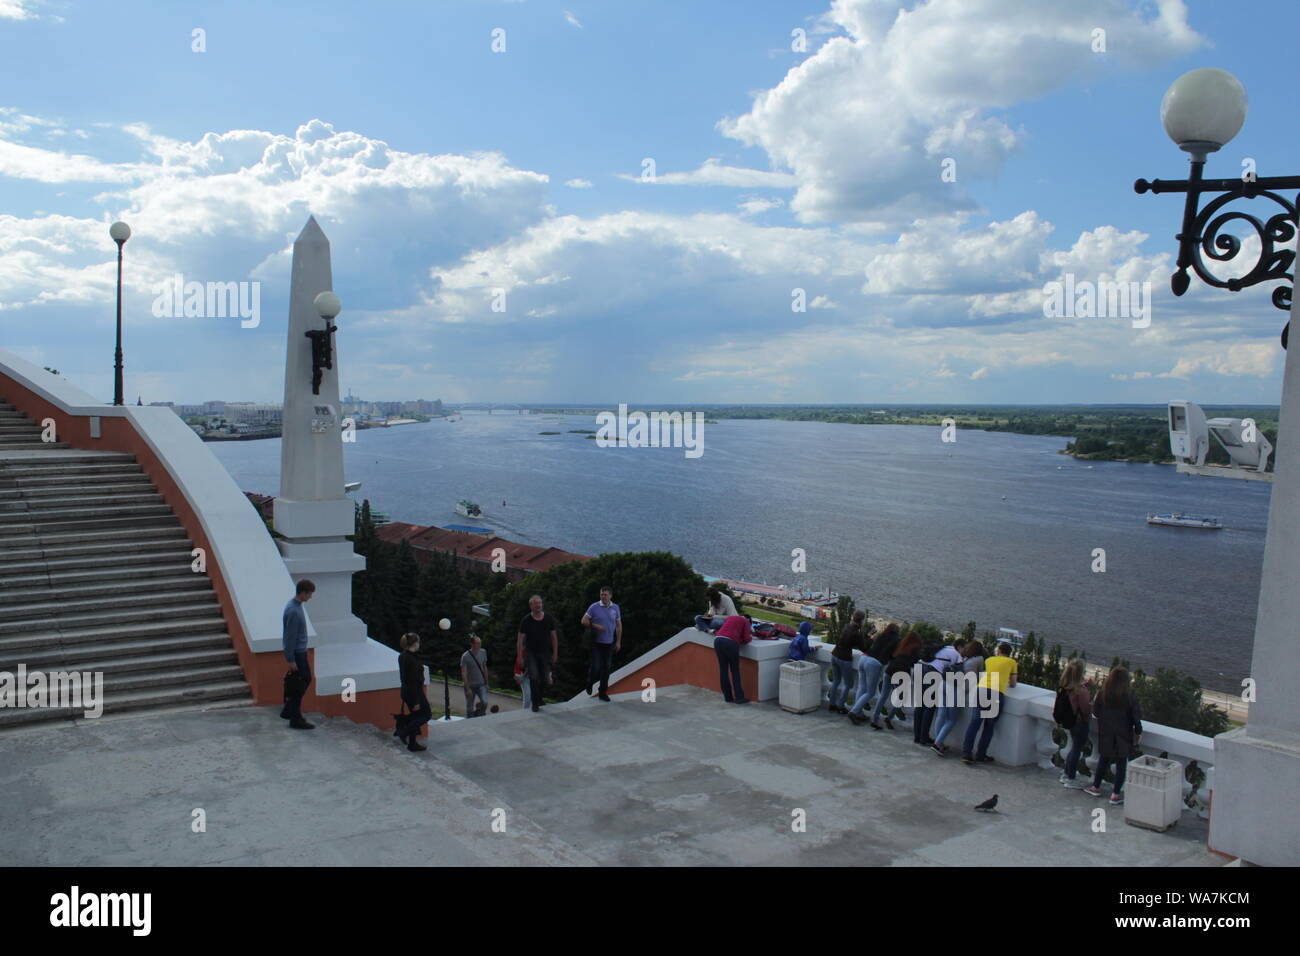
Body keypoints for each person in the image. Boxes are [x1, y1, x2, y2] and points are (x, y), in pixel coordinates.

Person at [1084, 667, 1142, 805]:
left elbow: (1096, 713)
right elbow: (1136, 719)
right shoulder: (1129, 698)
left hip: (1106, 733)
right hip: (1123, 735)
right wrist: (1138, 732)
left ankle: (1095, 787)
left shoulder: (1103, 695)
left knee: (1103, 760)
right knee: (1122, 765)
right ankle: (1115, 794)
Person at [962, 641, 1017, 765]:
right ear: (1008, 653)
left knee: (974, 723)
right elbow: (1013, 683)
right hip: (996, 693)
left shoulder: (989, 660)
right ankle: (980, 755)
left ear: (998, 651)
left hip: (981, 689)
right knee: (989, 725)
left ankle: (966, 753)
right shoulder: (1012, 662)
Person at [281, 578, 316, 730]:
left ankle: (292, 713)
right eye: (309, 594)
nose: (310, 597)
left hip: (300, 651)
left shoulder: (296, 605)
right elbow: (290, 637)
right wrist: (290, 659)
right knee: (303, 681)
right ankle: (293, 714)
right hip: (297, 654)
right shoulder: (294, 610)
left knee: (301, 682)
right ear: (303, 593)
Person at [848, 621, 896, 726]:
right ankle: (854, 711)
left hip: (864, 658)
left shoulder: (880, 635)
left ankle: (858, 713)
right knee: (870, 692)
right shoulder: (895, 640)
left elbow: (871, 643)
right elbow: (893, 655)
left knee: (862, 688)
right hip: (874, 663)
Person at [516, 595, 558, 713]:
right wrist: (520, 656)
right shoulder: (526, 620)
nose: (539, 605)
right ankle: (535, 703)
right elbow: (520, 640)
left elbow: (554, 637)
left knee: (544, 678)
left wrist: (555, 653)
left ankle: (539, 698)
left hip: (545, 653)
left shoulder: (548, 618)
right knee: (534, 677)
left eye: (540, 603)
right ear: (531, 606)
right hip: (531, 653)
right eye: (536, 603)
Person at [582, 585, 622, 701]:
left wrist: (618, 642)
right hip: (596, 642)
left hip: (609, 643)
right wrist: (595, 626)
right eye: (601, 594)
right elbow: (583, 620)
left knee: (607, 668)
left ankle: (602, 692)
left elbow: (619, 626)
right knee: (596, 667)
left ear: (610, 595)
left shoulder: (615, 608)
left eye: (605, 594)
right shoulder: (594, 607)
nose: (603, 596)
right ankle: (589, 683)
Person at [928, 639, 967, 755]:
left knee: (941, 714)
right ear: (960, 647)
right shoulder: (959, 656)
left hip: (943, 684)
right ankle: (937, 744)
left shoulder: (946, 650)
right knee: (951, 719)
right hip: (953, 688)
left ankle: (939, 742)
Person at [876, 631, 921, 731]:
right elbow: (915, 661)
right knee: (901, 697)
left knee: (883, 695)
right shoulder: (915, 648)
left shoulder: (901, 644)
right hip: (901, 672)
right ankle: (889, 717)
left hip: (890, 669)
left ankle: (875, 718)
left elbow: (891, 655)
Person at [397, 632, 431, 751]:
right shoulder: (411, 659)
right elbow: (412, 681)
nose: (419, 644)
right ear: (414, 643)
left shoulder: (403, 656)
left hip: (407, 691)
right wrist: (416, 701)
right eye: (418, 642)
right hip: (414, 692)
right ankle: (404, 732)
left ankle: (412, 743)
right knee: (426, 714)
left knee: (415, 716)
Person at [828, 611, 867, 714]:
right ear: (861, 620)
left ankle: (832, 704)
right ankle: (841, 706)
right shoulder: (857, 633)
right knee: (848, 683)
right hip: (844, 658)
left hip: (835, 654)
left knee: (836, 681)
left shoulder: (846, 626)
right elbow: (863, 648)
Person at [713, 614, 752, 704]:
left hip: (718, 640)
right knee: (735, 671)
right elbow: (746, 638)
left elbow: (727, 630)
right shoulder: (745, 621)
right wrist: (750, 638)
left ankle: (728, 697)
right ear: (749, 620)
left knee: (723, 670)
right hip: (730, 643)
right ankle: (739, 697)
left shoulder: (730, 618)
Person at [460, 635, 490, 717]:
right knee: (469, 708)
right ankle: (470, 722)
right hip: (470, 685)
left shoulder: (483, 652)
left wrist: (487, 683)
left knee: (485, 702)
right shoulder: (465, 656)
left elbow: (484, 667)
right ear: (472, 644)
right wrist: (467, 688)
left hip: (481, 684)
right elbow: (464, 672)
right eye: (477, 643)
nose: (479, 645)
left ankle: (480, 716)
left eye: (480, 643)